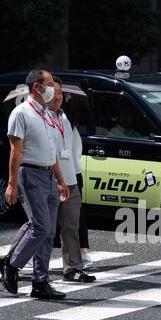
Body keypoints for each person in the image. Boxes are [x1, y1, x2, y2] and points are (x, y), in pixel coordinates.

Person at [0, 68, 68, 301]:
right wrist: (12, 183)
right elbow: (14, 151)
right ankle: (12, 264)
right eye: (49, 84)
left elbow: (52, 152)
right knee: (40, 226)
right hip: (30, 173)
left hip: (48, 174)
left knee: (48, 232)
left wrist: (60, 179)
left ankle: (40, 281)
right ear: (37, 87)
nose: (53, 89)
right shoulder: (21, 113)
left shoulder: (48, 114)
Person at [50, 79, 94, 283]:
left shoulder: (64, 119)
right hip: (50, 177)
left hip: (70, 176)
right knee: (40, 226)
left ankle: (73, 268)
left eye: (61, 93)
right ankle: (12, 259)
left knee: (71, 224)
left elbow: (71, 150)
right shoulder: (41, 117)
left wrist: (70, 178)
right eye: (55, 92)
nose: (59, 97)